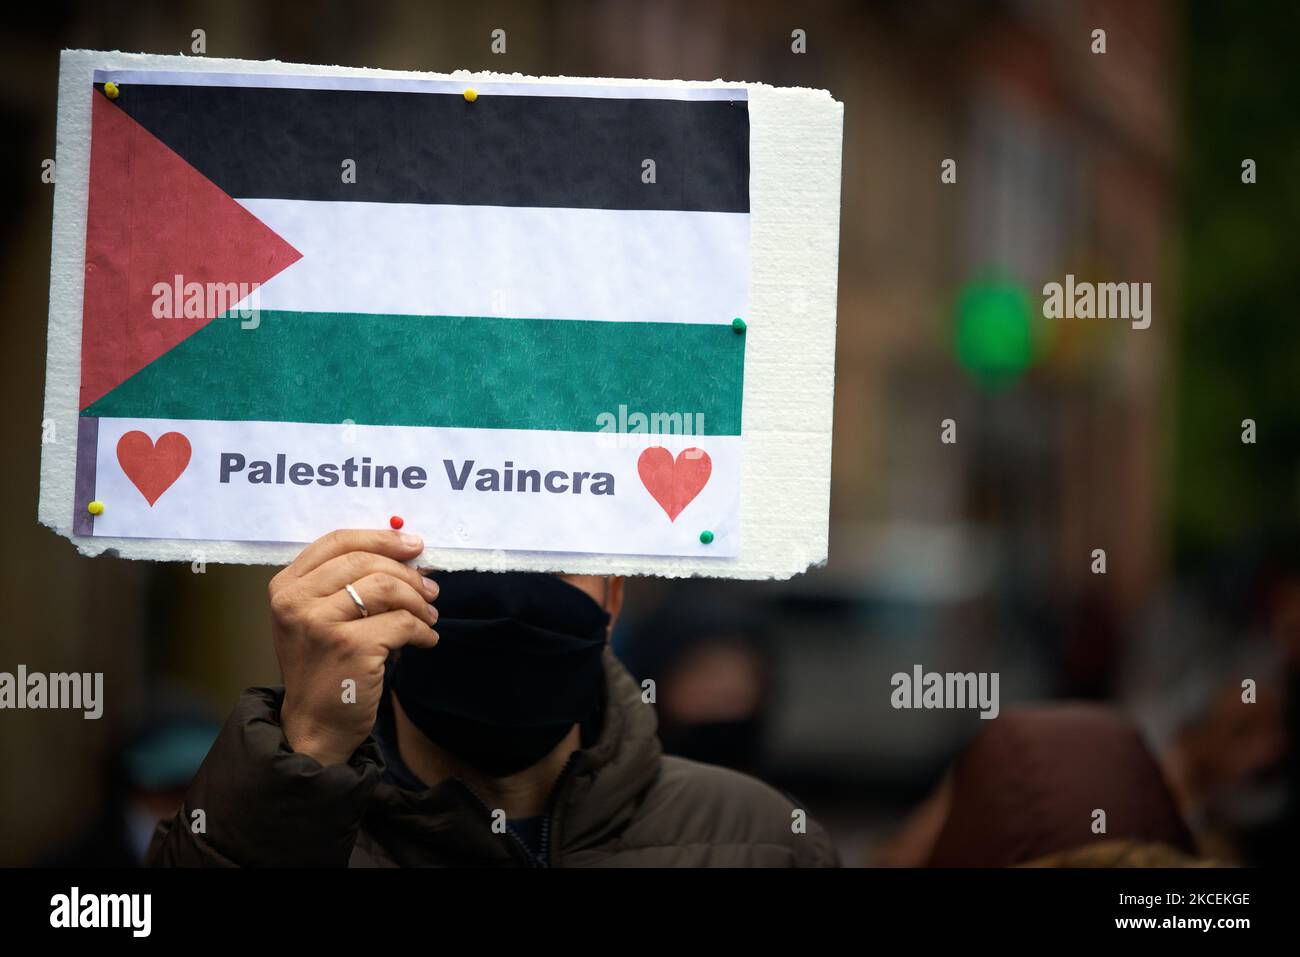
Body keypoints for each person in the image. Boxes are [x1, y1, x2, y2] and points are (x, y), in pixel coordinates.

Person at [147, 529, 838, 867]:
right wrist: (307, 751)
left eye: (551, 550)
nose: (509, 592)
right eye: (457, 552)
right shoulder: (266, 833)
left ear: (614, 597)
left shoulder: (764, 841)